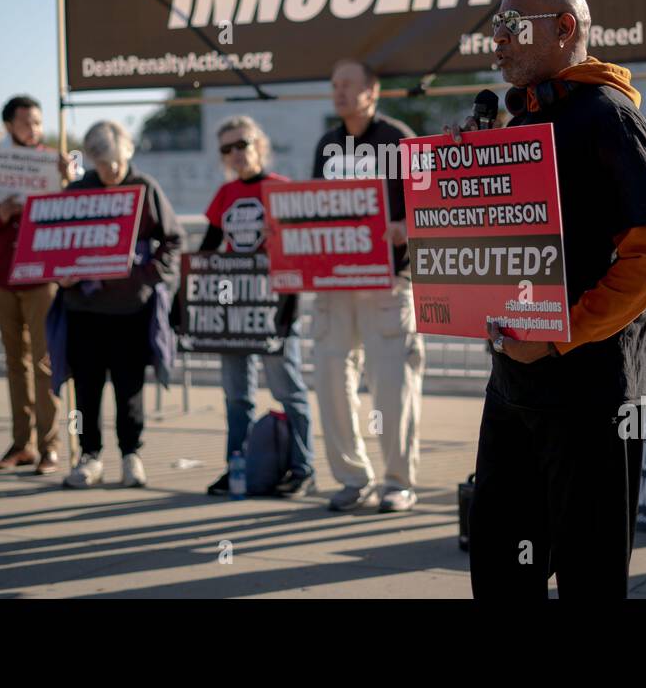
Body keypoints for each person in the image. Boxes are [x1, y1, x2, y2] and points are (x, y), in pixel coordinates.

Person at [467, 0, 646, 599]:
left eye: (512, 27)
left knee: (589, 575)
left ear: (565, 30)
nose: (498, 42)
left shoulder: (609, 117)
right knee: (500, 567)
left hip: (592, 391)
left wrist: (561, 337)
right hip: (514, 384)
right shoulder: (522, 119)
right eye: (495, 28)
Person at [310, 59, 425, 513]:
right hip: (335, 283)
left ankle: (398, 482)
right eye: (334, 84)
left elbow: (430, 201)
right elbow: (315, 206)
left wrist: (404, 226)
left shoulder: (398, 139)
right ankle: (351, 478)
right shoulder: (326, 143)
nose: (339, 92)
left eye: (348, 85)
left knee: (392, 385)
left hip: (388, 282)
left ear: (372, 91)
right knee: (330, 380)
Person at [61, 120, 183, 489]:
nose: (112, 170)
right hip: (85, 308)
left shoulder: (145, 187)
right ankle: (89, 455)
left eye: (116, 162)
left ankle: (132, 455)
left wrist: (145, 274)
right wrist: (61, 272)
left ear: (128, 153)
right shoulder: (78, 190)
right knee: (86, 387)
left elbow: (173, 240)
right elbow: (56, 240)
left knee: (130, 387)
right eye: (103, 164)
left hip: (132, 308)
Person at [198, 115, 315, 497]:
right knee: (236, 397)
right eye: (226, 148)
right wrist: (186, 301)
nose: (235, 153)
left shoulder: (282, 190)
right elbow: (206, 253)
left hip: (275, 304)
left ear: (259, 145)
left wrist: (291, 307)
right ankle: (237, 465)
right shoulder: (224, 194)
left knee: (288, 390)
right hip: (234, 306)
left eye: (242, 144)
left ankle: (302, 468)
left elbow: (301, 254)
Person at [0, 96, 63, 475]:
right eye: (27, 122)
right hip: (3, 277)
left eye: (38, 123)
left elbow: (70, 216)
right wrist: (3, 214)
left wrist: (65, 179)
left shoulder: (53, 164)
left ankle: (50, 447)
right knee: (16, 364)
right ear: (10, 125)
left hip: (42, 277)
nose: (34, 129)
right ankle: (21, 444)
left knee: (45, 364)